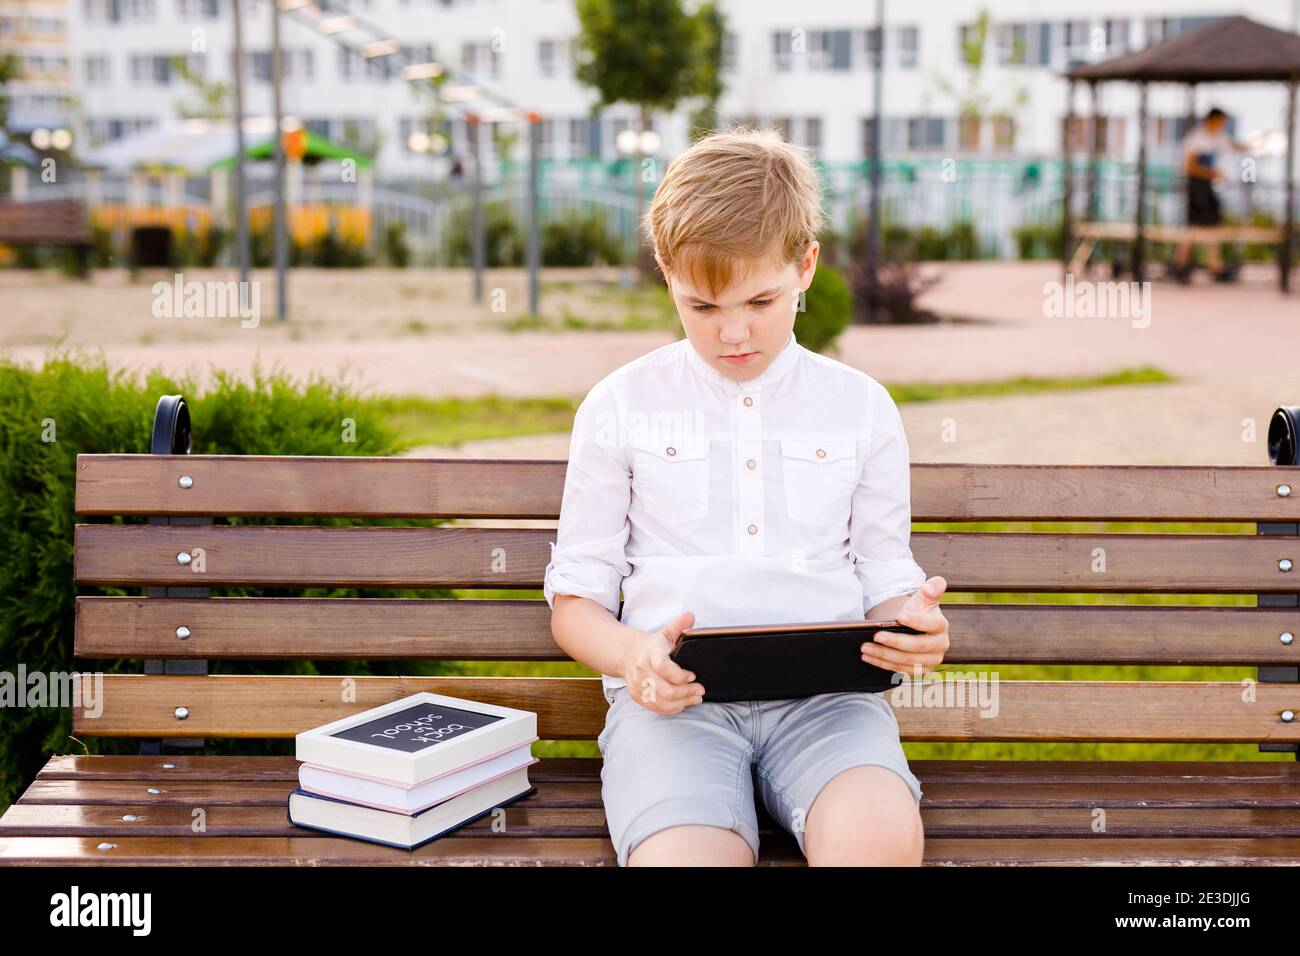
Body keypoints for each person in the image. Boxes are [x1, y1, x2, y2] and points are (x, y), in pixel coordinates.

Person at [543, 128, 950, 867]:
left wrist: (910, 627)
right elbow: (575, 603)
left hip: (830, 707)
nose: (733, 332)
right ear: (666, 273)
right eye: (702, 307)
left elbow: (886, 576)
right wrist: (634, 656)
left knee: (879, 848)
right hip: (672, 711)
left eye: (761, 299)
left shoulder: (859, 406)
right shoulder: (618, 405)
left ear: (806, 266)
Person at [1170, 107, 1248, 283]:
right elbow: (1189, 166)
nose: (1223, 125)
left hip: (1205, 185)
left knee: (1200, 226)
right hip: (1197, 184)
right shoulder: (1198, 138)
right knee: (1202, 225)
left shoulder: (1216, 136)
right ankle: (1208, 266)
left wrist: (1257, 144)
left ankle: (1187, 264)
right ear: (1213, 120)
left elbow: (1232, 146)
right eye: (1221, 121)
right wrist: (1212, 173)